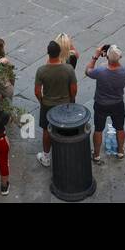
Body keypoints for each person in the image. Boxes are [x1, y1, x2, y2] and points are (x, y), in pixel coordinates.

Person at [33, 38, 77, 167]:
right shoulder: (69, 69)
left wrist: (42, 101)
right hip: (65, 103)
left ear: (48, 53)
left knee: (47, 130)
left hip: (47, 104)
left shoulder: (41, 70)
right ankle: (66, 152)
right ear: (60, 52)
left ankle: (46, 157)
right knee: (66, 128)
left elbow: (37, 91)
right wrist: (70, 100)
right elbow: (74, 89)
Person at [86, 45, 125, 163]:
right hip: (117, 103)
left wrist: (95, 57)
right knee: (120, 128)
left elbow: (88, 71)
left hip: (101, 103)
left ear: (107, 57)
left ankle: (96, 155)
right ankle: (120, 151)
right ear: (120, 57)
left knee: (99, 129)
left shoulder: (100, 71)